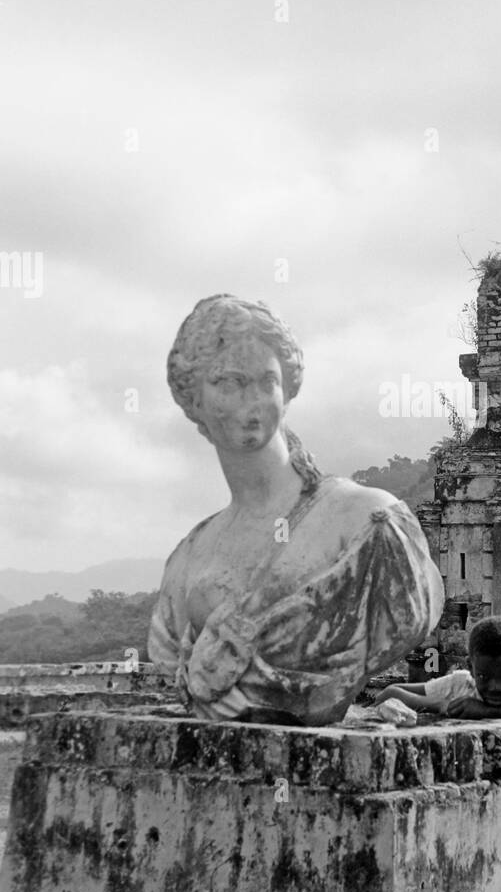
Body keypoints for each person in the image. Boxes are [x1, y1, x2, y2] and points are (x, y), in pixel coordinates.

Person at [148, 294, 444, 725]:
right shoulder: (186, 561)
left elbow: (403, 619)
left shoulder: (370, 523)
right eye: (229, 383)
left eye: (266, 381)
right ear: (193, 400)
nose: (251, 400)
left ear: (287, 391)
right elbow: (169, 656)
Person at [377, 615, 501, 732]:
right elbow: (390, 692)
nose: (496, 687)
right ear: (471, 669)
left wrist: (489, 711)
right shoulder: (462, 685)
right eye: (484, 677)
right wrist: (440, 705)